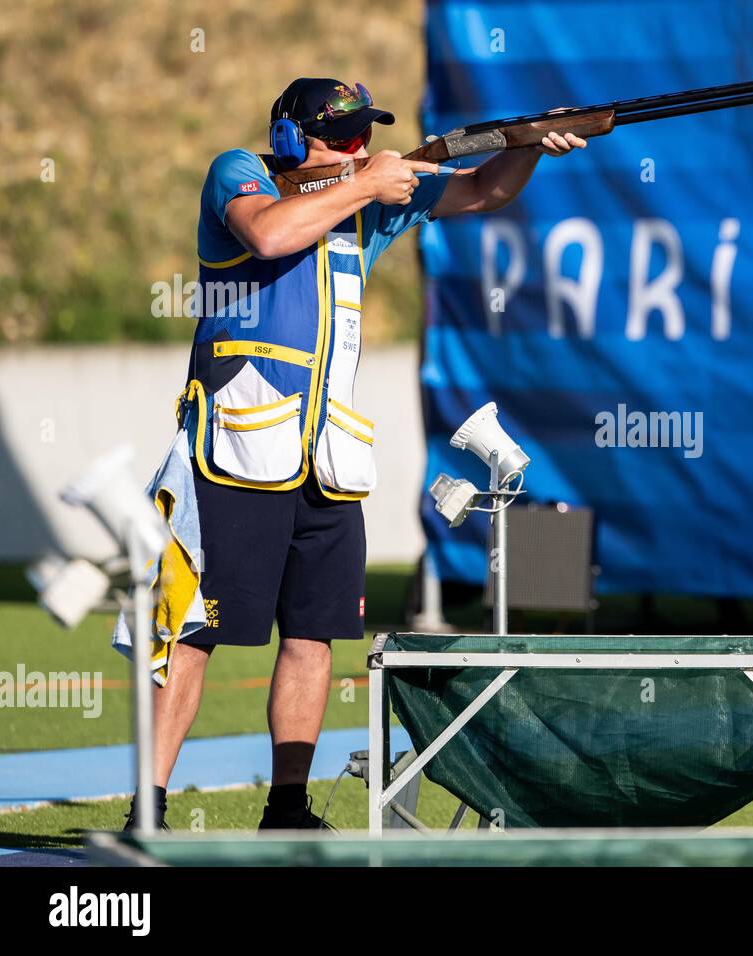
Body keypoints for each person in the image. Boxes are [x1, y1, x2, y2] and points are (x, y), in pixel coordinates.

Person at [124, 78, 586, 830]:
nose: (359, 148)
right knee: (195, 635)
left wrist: (532, 143)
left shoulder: (369, 201)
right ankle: (150, 810)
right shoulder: (237, 172)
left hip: (327, 458)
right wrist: (367, 181)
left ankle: (287, 808)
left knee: (313, 636)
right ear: (287, 142)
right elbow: (270, 234)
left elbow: (485, 190)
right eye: (341, 138)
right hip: (238, 447)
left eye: (364, 134)